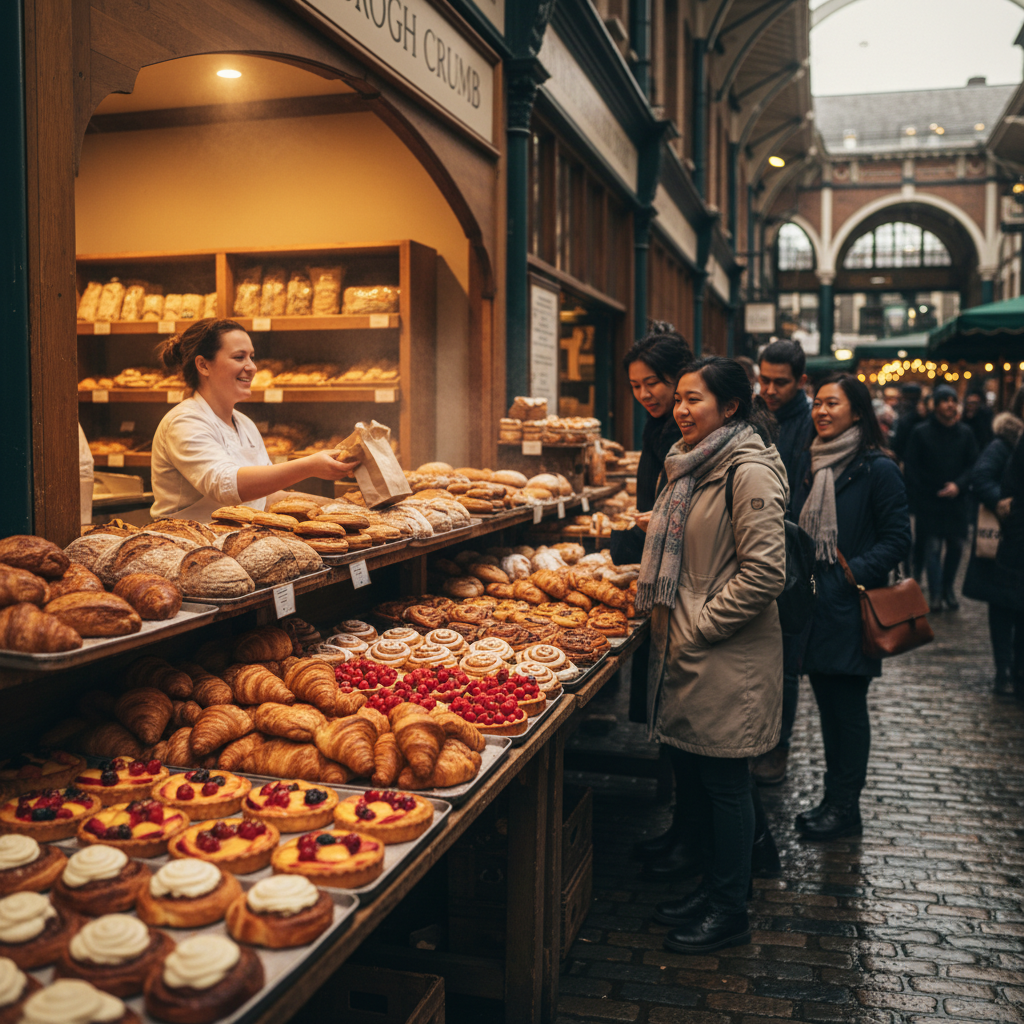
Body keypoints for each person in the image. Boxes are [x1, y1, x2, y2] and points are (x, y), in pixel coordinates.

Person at [638, 357, 787, 954]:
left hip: (726, 653)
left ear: (730, 407)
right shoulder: (692, 465)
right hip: (693, 650)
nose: (679, 409)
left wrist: (700, 624)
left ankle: (730, 910)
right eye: (677, 398)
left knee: (727, 782)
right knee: (703, 775)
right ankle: (713, 884)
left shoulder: (746, 471)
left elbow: (764, 573)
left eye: (693, 399)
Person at [792, 374, 911, 841]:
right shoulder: (815, 463)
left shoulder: (877, 468)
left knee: (847, 711)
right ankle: (832, 801)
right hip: (817, 611)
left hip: (849, 607)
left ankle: (845, 807)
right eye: (817, 403)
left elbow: (899, 539)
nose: (821, 412)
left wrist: (848, 574)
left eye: (832, 404)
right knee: (828, 709)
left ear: (857, 413)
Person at [151, 318, 359, 520]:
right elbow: (226, 487)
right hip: (184, 544)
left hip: (234, 542)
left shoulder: (244, 424)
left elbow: (263, 497)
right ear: (203, 365)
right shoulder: (184, 422)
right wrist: (309, 466)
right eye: (239, 357)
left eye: (251, 357)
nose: (252, 367)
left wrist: (337, 508)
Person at [751, 340, 813, 786]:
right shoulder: (752, 414)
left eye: (781, 382)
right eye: (764, 379)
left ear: (800, 381)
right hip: (754, 548)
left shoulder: (813, 423)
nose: (770, 389)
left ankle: (779, 745)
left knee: (787, 659)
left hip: (794, 555)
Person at [963, 392, 1024, 694]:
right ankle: (1004, 670)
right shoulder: (1004, 444)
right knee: (1003, 606)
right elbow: (981, 476)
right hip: (1004, 539)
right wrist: (1004, 501)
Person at [903, 384, 978, 611]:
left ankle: (948, 589)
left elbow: (973, 464)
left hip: (956, 503)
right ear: (935, 405)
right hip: (930, 502)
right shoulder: (921, 432)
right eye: (945, 400)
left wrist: (959, 485)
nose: (950, 404)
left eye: (953, 400)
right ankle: (935, 594)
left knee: (955, 547)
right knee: (932, 549)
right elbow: (912, 467)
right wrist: (923, 493)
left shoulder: (965, 433)